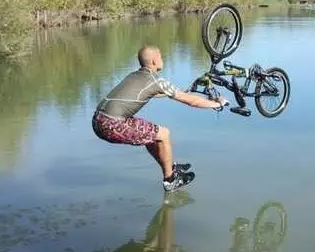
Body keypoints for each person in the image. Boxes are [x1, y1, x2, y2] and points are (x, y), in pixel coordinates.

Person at [92, 44, 228, 192]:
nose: (163, 59)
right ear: (154, 62)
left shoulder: (135, 75)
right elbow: (191, 102)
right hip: (112, 123)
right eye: (161, 57)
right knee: (164, 134)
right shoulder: (155, 80)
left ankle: (170, 167)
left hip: (99, 120)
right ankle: (170, 180)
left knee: (153, 136)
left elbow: (154, 93)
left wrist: (180, 91)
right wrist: (216, 104)